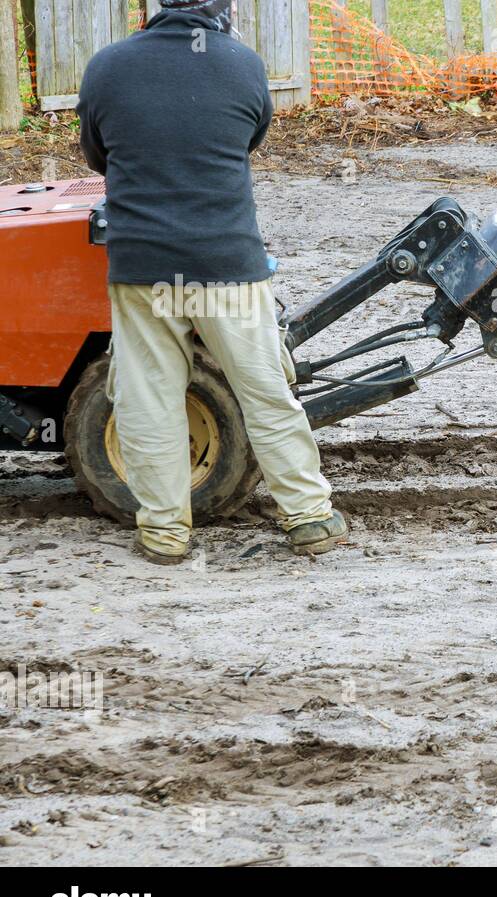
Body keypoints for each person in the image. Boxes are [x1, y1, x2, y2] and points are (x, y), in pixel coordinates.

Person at [76, 0, 347, 564]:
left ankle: (165, 533)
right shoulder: (241, 65)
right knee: (264, 390)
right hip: (225, 261)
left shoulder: (107, 67)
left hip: (144, 265)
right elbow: (248, 140)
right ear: (220, 10)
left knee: (148, 398)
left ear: (151, 8)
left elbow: (98, 155)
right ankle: (310, 517)